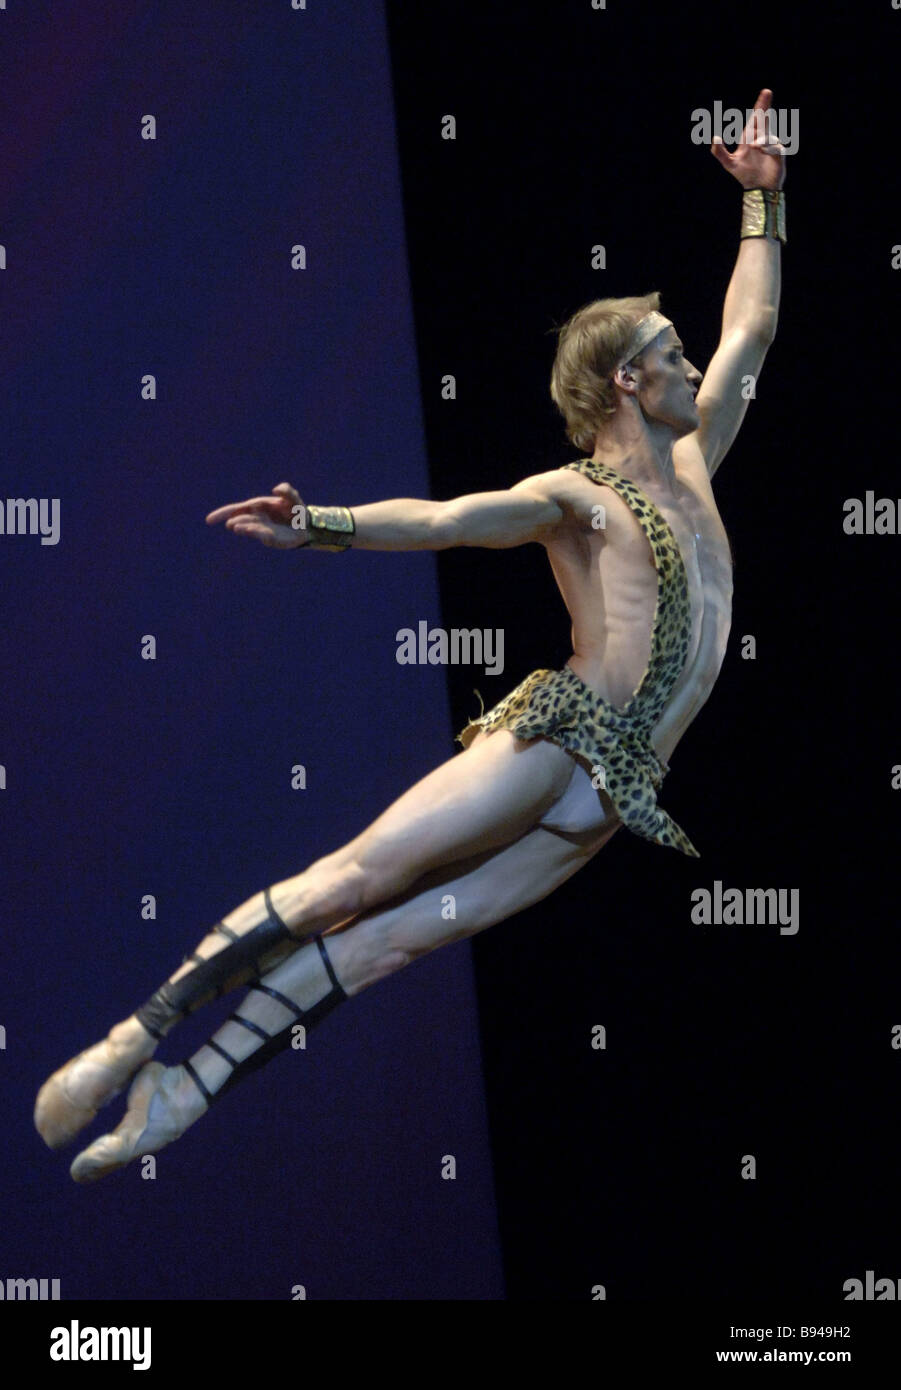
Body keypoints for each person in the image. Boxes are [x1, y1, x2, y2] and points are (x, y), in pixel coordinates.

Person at [35, 89, 785, 1183]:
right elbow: (444, 522)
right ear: (626, 380)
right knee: (353, 880)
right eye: (669, 353)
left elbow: (754, 327)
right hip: (559, 741)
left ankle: (182, 1096)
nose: (688, 364)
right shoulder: (571, 494)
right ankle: (134, 1039)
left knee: (390, 941)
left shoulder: (693, 458)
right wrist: (321, 525)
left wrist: (762, 202)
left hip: (615, 794)